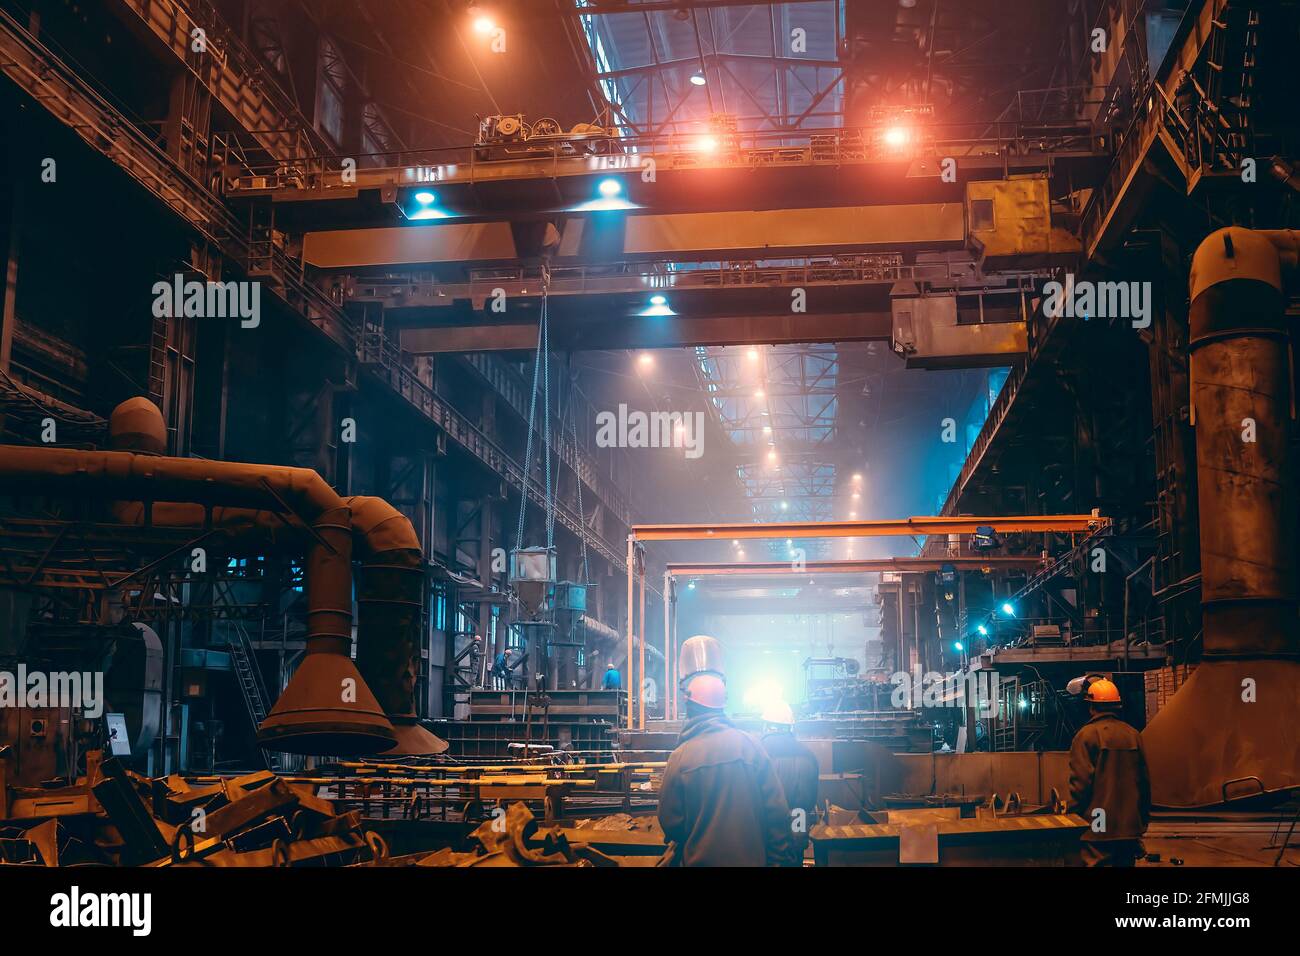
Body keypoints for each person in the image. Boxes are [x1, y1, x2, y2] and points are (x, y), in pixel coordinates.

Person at [657, 635, 797, 867]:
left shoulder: (681, 759)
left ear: (689, 704)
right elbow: (778, 816)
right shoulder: (752, 747)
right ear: (724, 702)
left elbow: (671, 824)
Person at [1068, 677, 1151, 866]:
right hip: (1128, 826)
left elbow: (1080, 785)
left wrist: (1071, 819)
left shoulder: (1086, 736)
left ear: (1091, 706)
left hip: (1099, 824)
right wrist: (1141, 821)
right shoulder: (1133, 735)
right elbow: (1145, 783)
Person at [759, 701, 820, 862]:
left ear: (766, 725)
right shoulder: (808, 754)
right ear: (791, 727)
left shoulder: (758, 752)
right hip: (798, 827)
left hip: (769, 834)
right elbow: (812, 798)